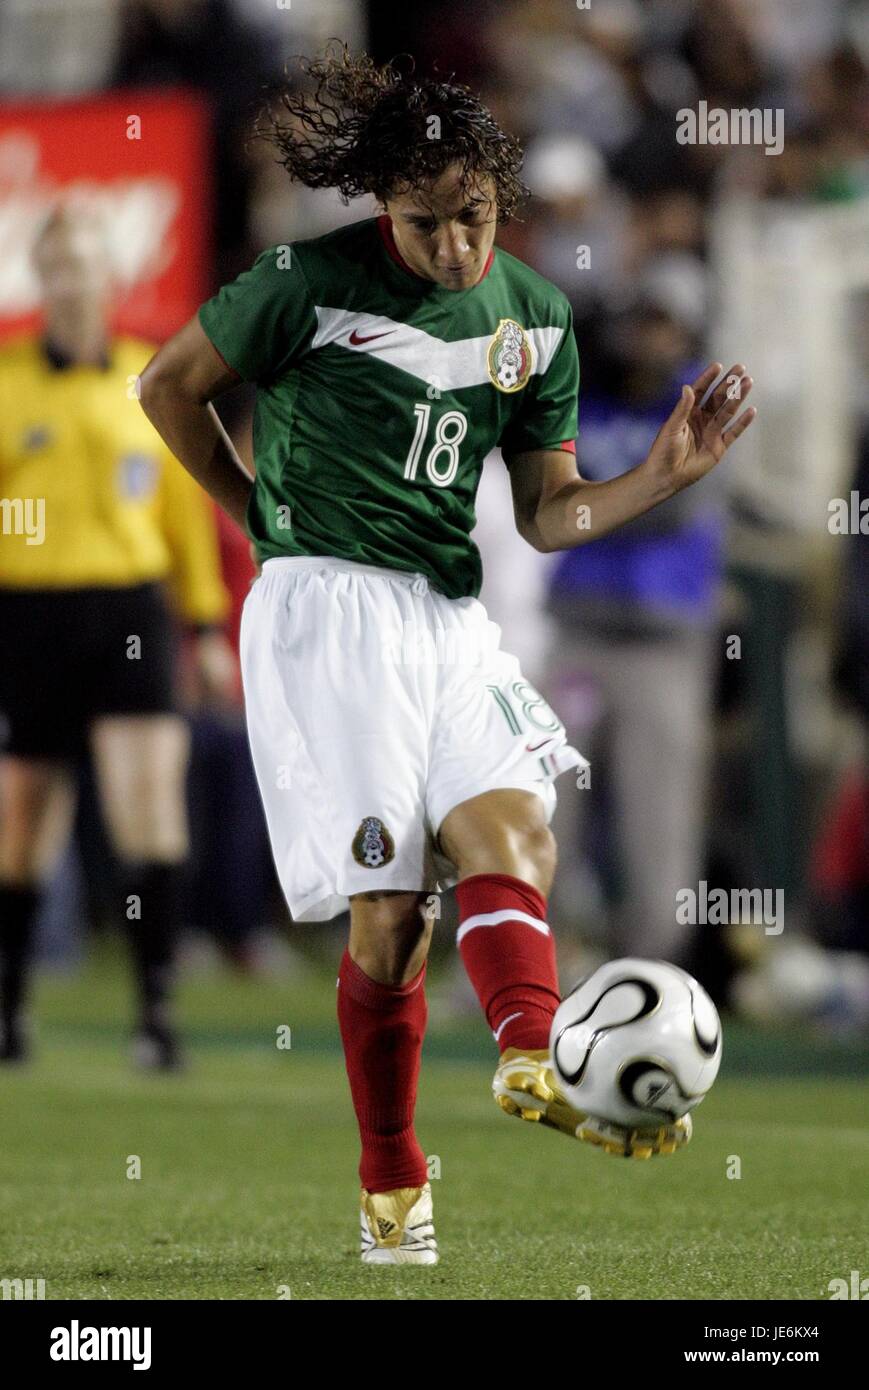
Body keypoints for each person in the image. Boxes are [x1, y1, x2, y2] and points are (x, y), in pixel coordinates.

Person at [138, 47, 755, 1265]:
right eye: (426, 223)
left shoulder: (531, 316)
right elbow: (166, 388)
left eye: (473, 215)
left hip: (445, 613)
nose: (456, 246)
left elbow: (546, 514)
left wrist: (657, 477)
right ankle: (391, 1185)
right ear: (381, 204)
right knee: (390, 915)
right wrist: (257, 511)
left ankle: (534, 1053)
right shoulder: (300, 284)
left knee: (514, 825)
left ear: (497, 195)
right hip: (327, 611)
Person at [0, 206, 232, 1068]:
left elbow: (182, 513)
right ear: (40, 274)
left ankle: (156, 1014)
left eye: (86, 264)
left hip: (130, 610)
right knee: (26, 821)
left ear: (110, 277)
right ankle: (12, 1009)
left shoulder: (149, 379)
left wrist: (205, 625)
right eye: (56, 265)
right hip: (30, 613)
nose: (72, 281)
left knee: (150, 812)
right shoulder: (8, 381)